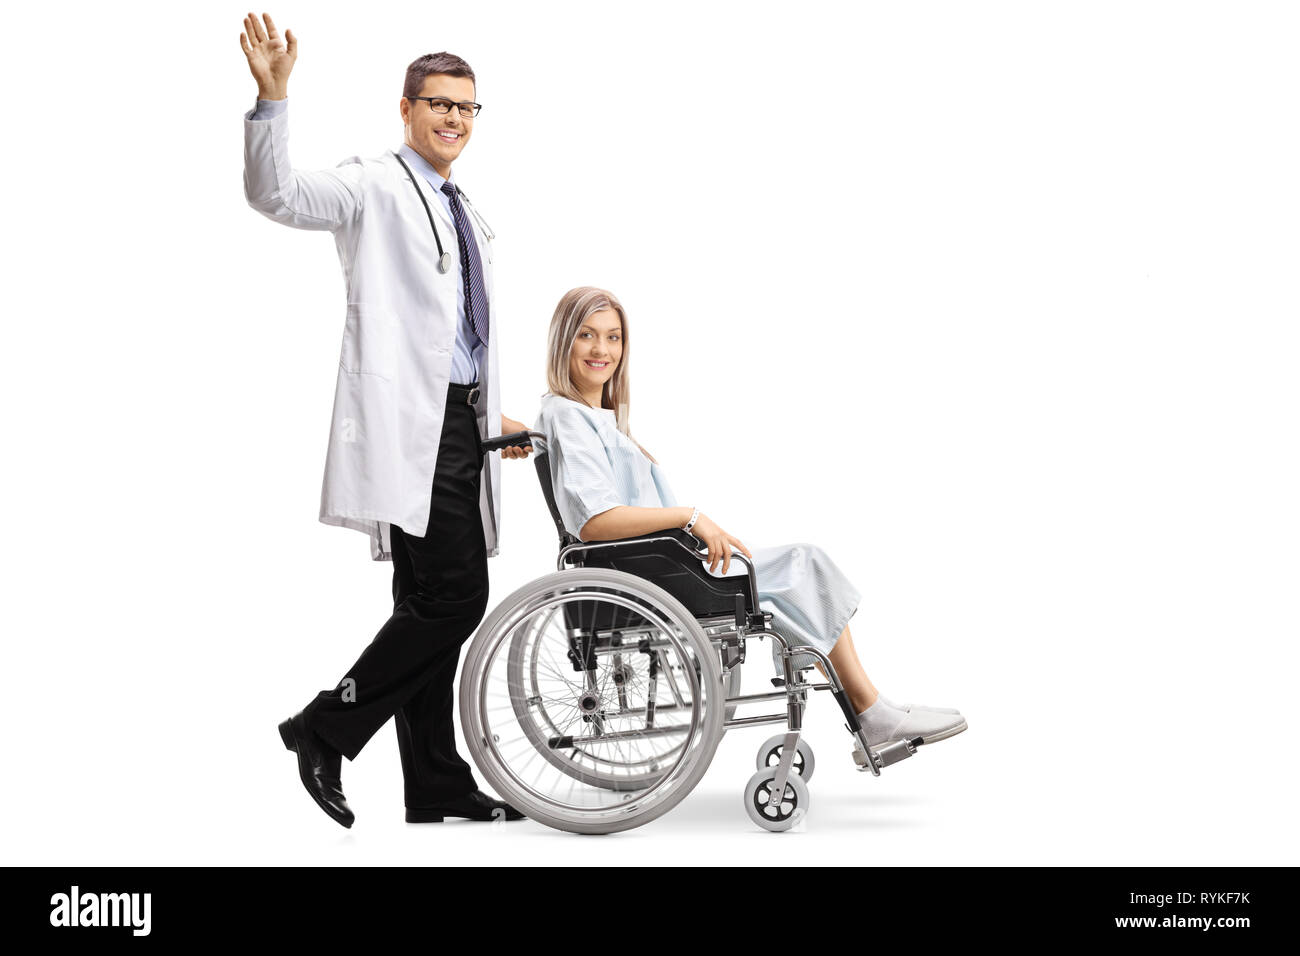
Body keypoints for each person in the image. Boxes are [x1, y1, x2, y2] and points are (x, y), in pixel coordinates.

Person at [240, 12, 534, 828]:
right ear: (405, 109)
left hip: (459, 425)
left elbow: (455, 332)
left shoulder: (463, 206)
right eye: (439, 104)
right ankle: (324, 727)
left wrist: (488, 406)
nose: (454, 120)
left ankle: (435, 782)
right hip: (416, 431)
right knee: (455, 599)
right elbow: (276, 194)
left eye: (467, 108)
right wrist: (274, 100)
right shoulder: (372, 183)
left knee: (426, 600)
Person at [533, 287, 968, 754]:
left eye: (614, 337)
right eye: (587, 335)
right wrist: (692, 518)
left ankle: (870, 711)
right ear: (564, 342)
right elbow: (594, 524)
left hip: (663, 563)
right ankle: (871, 712)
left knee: (805, 566)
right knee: (805, 563)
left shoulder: (597, 418)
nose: (602, 350)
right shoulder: (567, 414)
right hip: (647, 572)